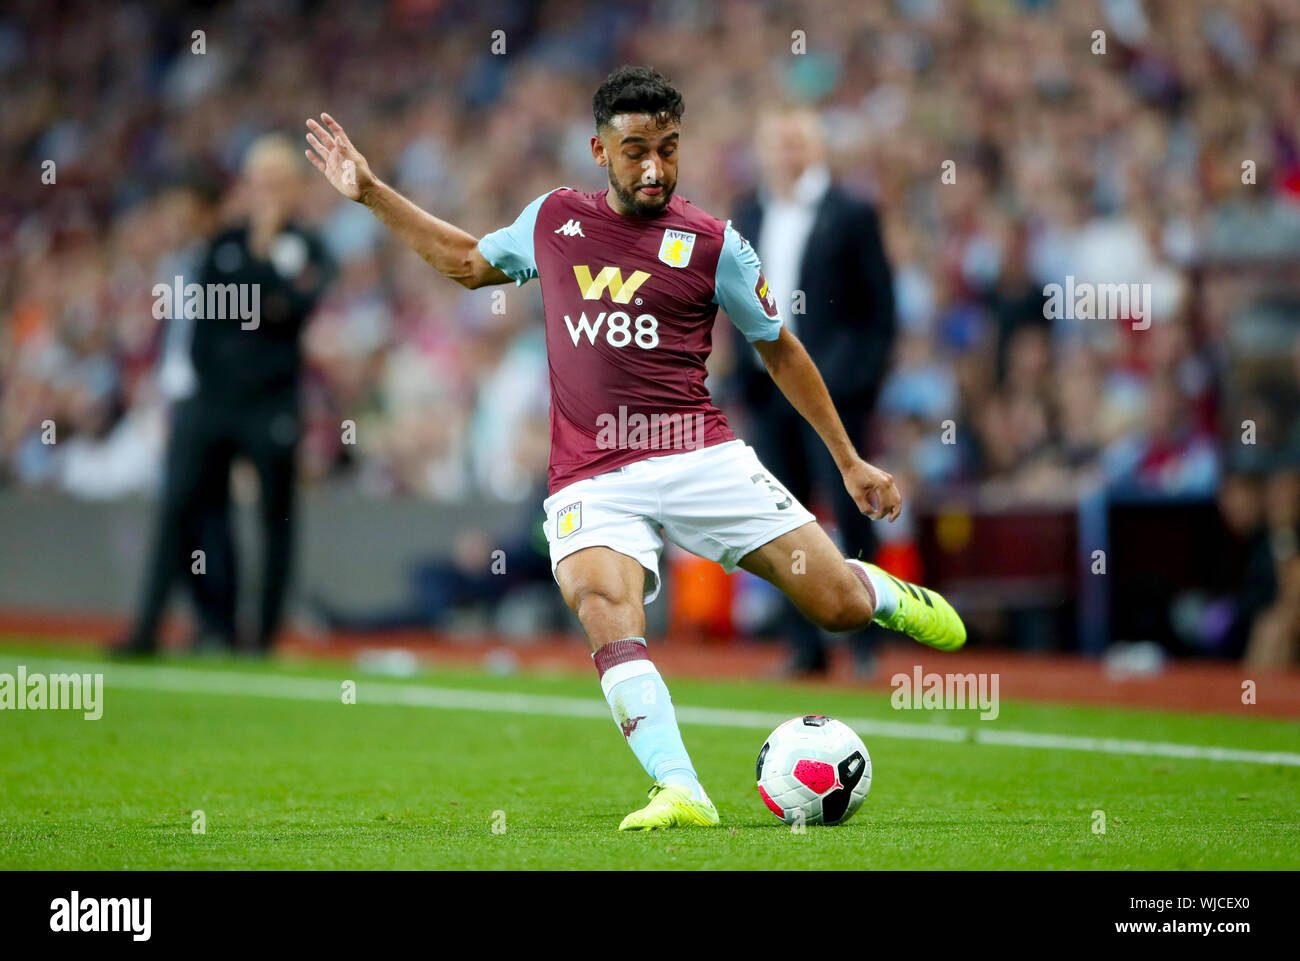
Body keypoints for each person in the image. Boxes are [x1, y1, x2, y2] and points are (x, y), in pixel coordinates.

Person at [304, 66, 965, 831]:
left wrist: (849, 459)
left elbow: (779, 349)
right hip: (592, 476)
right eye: (636, 150)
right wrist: (370, 191)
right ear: (599, 150)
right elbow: (464, 262)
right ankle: (681, 787)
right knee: (599, 599)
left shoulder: (715, 244)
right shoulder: (553, 220)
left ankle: (885, 595)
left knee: (838, 607)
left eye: (668, 148)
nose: (654, 167)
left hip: (699, 457)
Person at [117, 135, 336, 655]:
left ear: (297, 187)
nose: (268, 192)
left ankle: (261, 638)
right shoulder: (223, 243)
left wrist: (262, 256)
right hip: (213, 402)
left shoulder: (310, 247)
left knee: (276, 519)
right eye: (260, 181)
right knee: (179, 508)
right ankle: (148, 628)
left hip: (272, 404)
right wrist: (196, 397)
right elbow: (208, 323)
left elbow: (295, 309)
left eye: (279, 181)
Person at [730, 104, 897, 676]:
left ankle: (868, 640)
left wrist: (858, 383)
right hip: (768, 390)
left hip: (836, 392)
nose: (787, 153)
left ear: (817, 148)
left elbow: (879, 310)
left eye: (797, 141)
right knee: (782, 516)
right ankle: (806, 645)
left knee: (853, 511)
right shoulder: (749, 209)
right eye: (778, 142)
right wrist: (737, 377)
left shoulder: (852, 212)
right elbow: (729, 297)